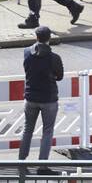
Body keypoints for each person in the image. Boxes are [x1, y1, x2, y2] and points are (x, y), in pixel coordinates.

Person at [19, 25, 63, 174]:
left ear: (36, 37)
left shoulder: (27, 53)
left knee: (27, 130)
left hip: (30, 97)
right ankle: (42, 165)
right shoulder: (54, 58)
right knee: (47, 131)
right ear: (49, 38)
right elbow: (60, 76)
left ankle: (22, 163)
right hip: (49, 99)